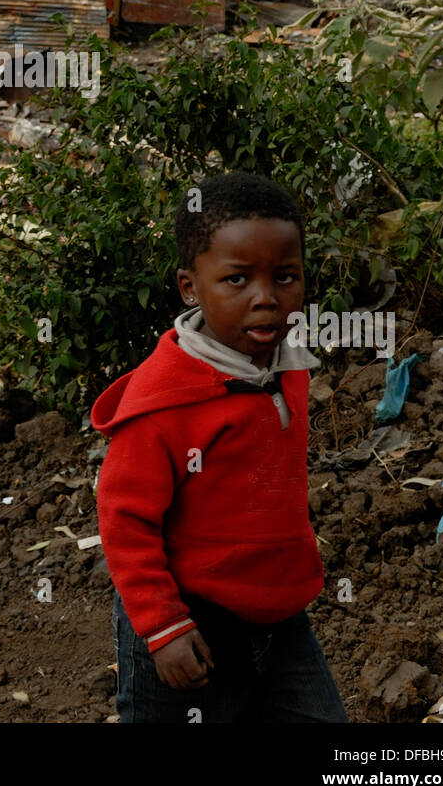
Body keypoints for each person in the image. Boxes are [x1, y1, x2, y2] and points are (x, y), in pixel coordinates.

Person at [91, 171, 348, 724]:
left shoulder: (288, 368)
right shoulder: (163, 404)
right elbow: (124, 518)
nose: (267, 299)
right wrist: (163, 628)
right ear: (190, 287)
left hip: (280, 614)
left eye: (286, 277)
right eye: (237, 281)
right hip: (190, 619)